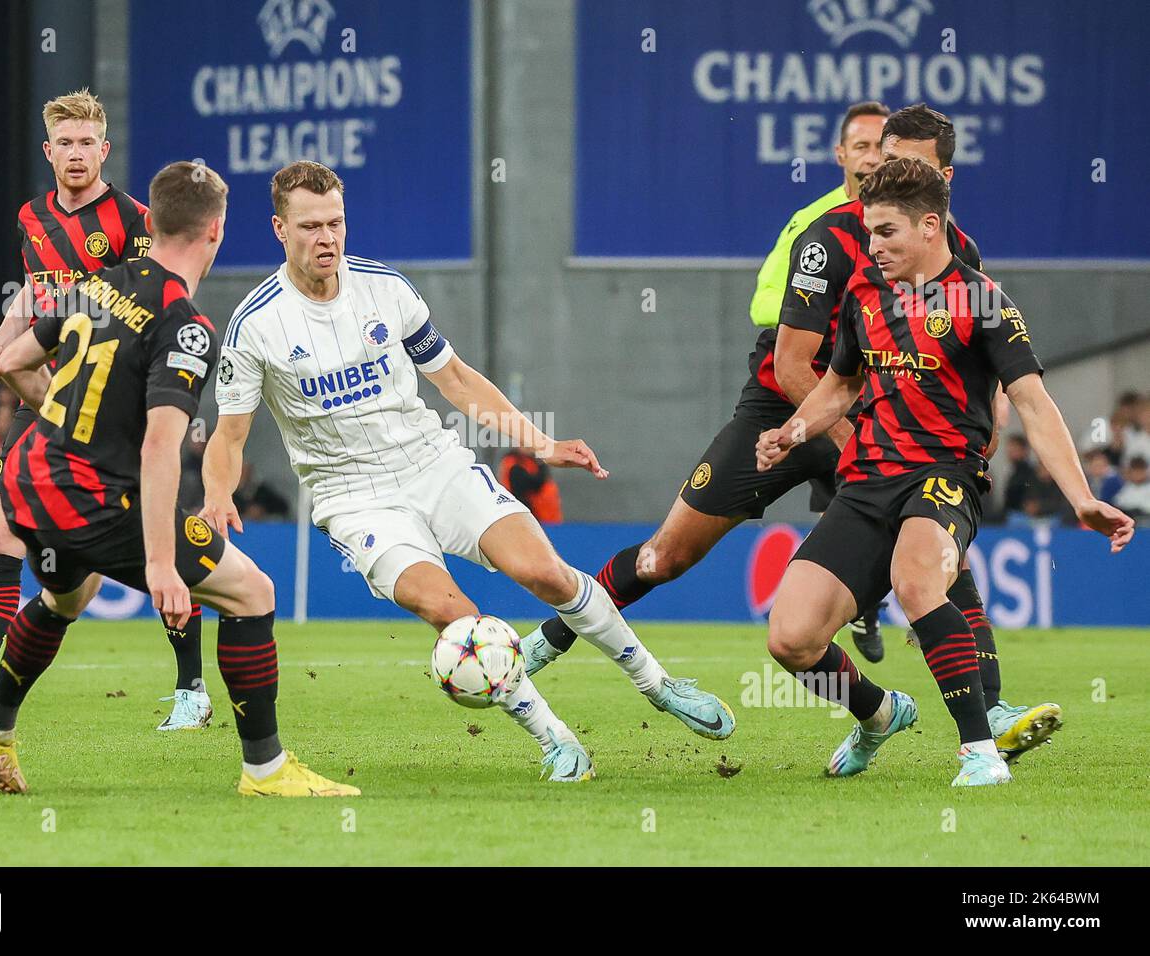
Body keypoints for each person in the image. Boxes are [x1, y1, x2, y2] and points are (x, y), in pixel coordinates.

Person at [203, 160, 734, 783]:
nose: (328, 238)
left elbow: (454, 379)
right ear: (278, 229)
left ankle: (659, 684)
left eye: (337, 223)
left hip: (433, 463)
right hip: (355, 499)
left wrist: (540, 443)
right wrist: (217, 495)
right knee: (455, 613)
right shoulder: (256, 323)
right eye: (311, 226)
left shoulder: (387, 290)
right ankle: (556, 740)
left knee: (546, 573)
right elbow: (230, 434)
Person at [0, 160, 353, 798]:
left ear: (154, 222)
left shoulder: (96, 284)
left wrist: (64, 426)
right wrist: (163, 566)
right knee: (253, 592)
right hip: (91, 499)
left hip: (31, 482)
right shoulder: (185, 324)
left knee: (65, 599)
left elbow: (8, 360)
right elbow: (163, 449)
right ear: (216, 231)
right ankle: (266, 770)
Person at [755, 158, 1134, 786]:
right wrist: (794, 431)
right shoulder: (863, 295)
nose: (871, 246)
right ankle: (878, 714)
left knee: (916, 580)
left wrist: (1082, 497)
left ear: (930, 227)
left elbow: (1035, 404)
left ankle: (979, 751)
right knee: (790, 640)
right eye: (869, 233)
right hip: (868, 479)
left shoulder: (981, 300)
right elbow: (840, 385)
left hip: (944, 475)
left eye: (885, 233)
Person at [520, 102, 898, 674]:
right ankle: (556, 632)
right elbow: (769, 310)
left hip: (864, 406)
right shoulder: (818, 228)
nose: (874, 158)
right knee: (664, 557)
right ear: (841, 155)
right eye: (862, 146)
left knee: (929, 551)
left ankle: (980, 718)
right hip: (784, 402)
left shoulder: (924, 238)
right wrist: (822, 310)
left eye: (884, 148)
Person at [0, 89, 208, 734]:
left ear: (105, 149)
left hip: (113, 394)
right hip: (46, 389)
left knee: (148, 522)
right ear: (49, 152)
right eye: (63, 143)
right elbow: (38, 293)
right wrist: (6, 333)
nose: (75, 154)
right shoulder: (32, 217)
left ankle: (190, 687)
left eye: (86, 143)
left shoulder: (130, 217)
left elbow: (147, 298)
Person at [498, 448, 563, 523]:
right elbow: (520, 486)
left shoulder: (533, 460)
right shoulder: (512, 461)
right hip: (522, 508)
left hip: (543, 514)